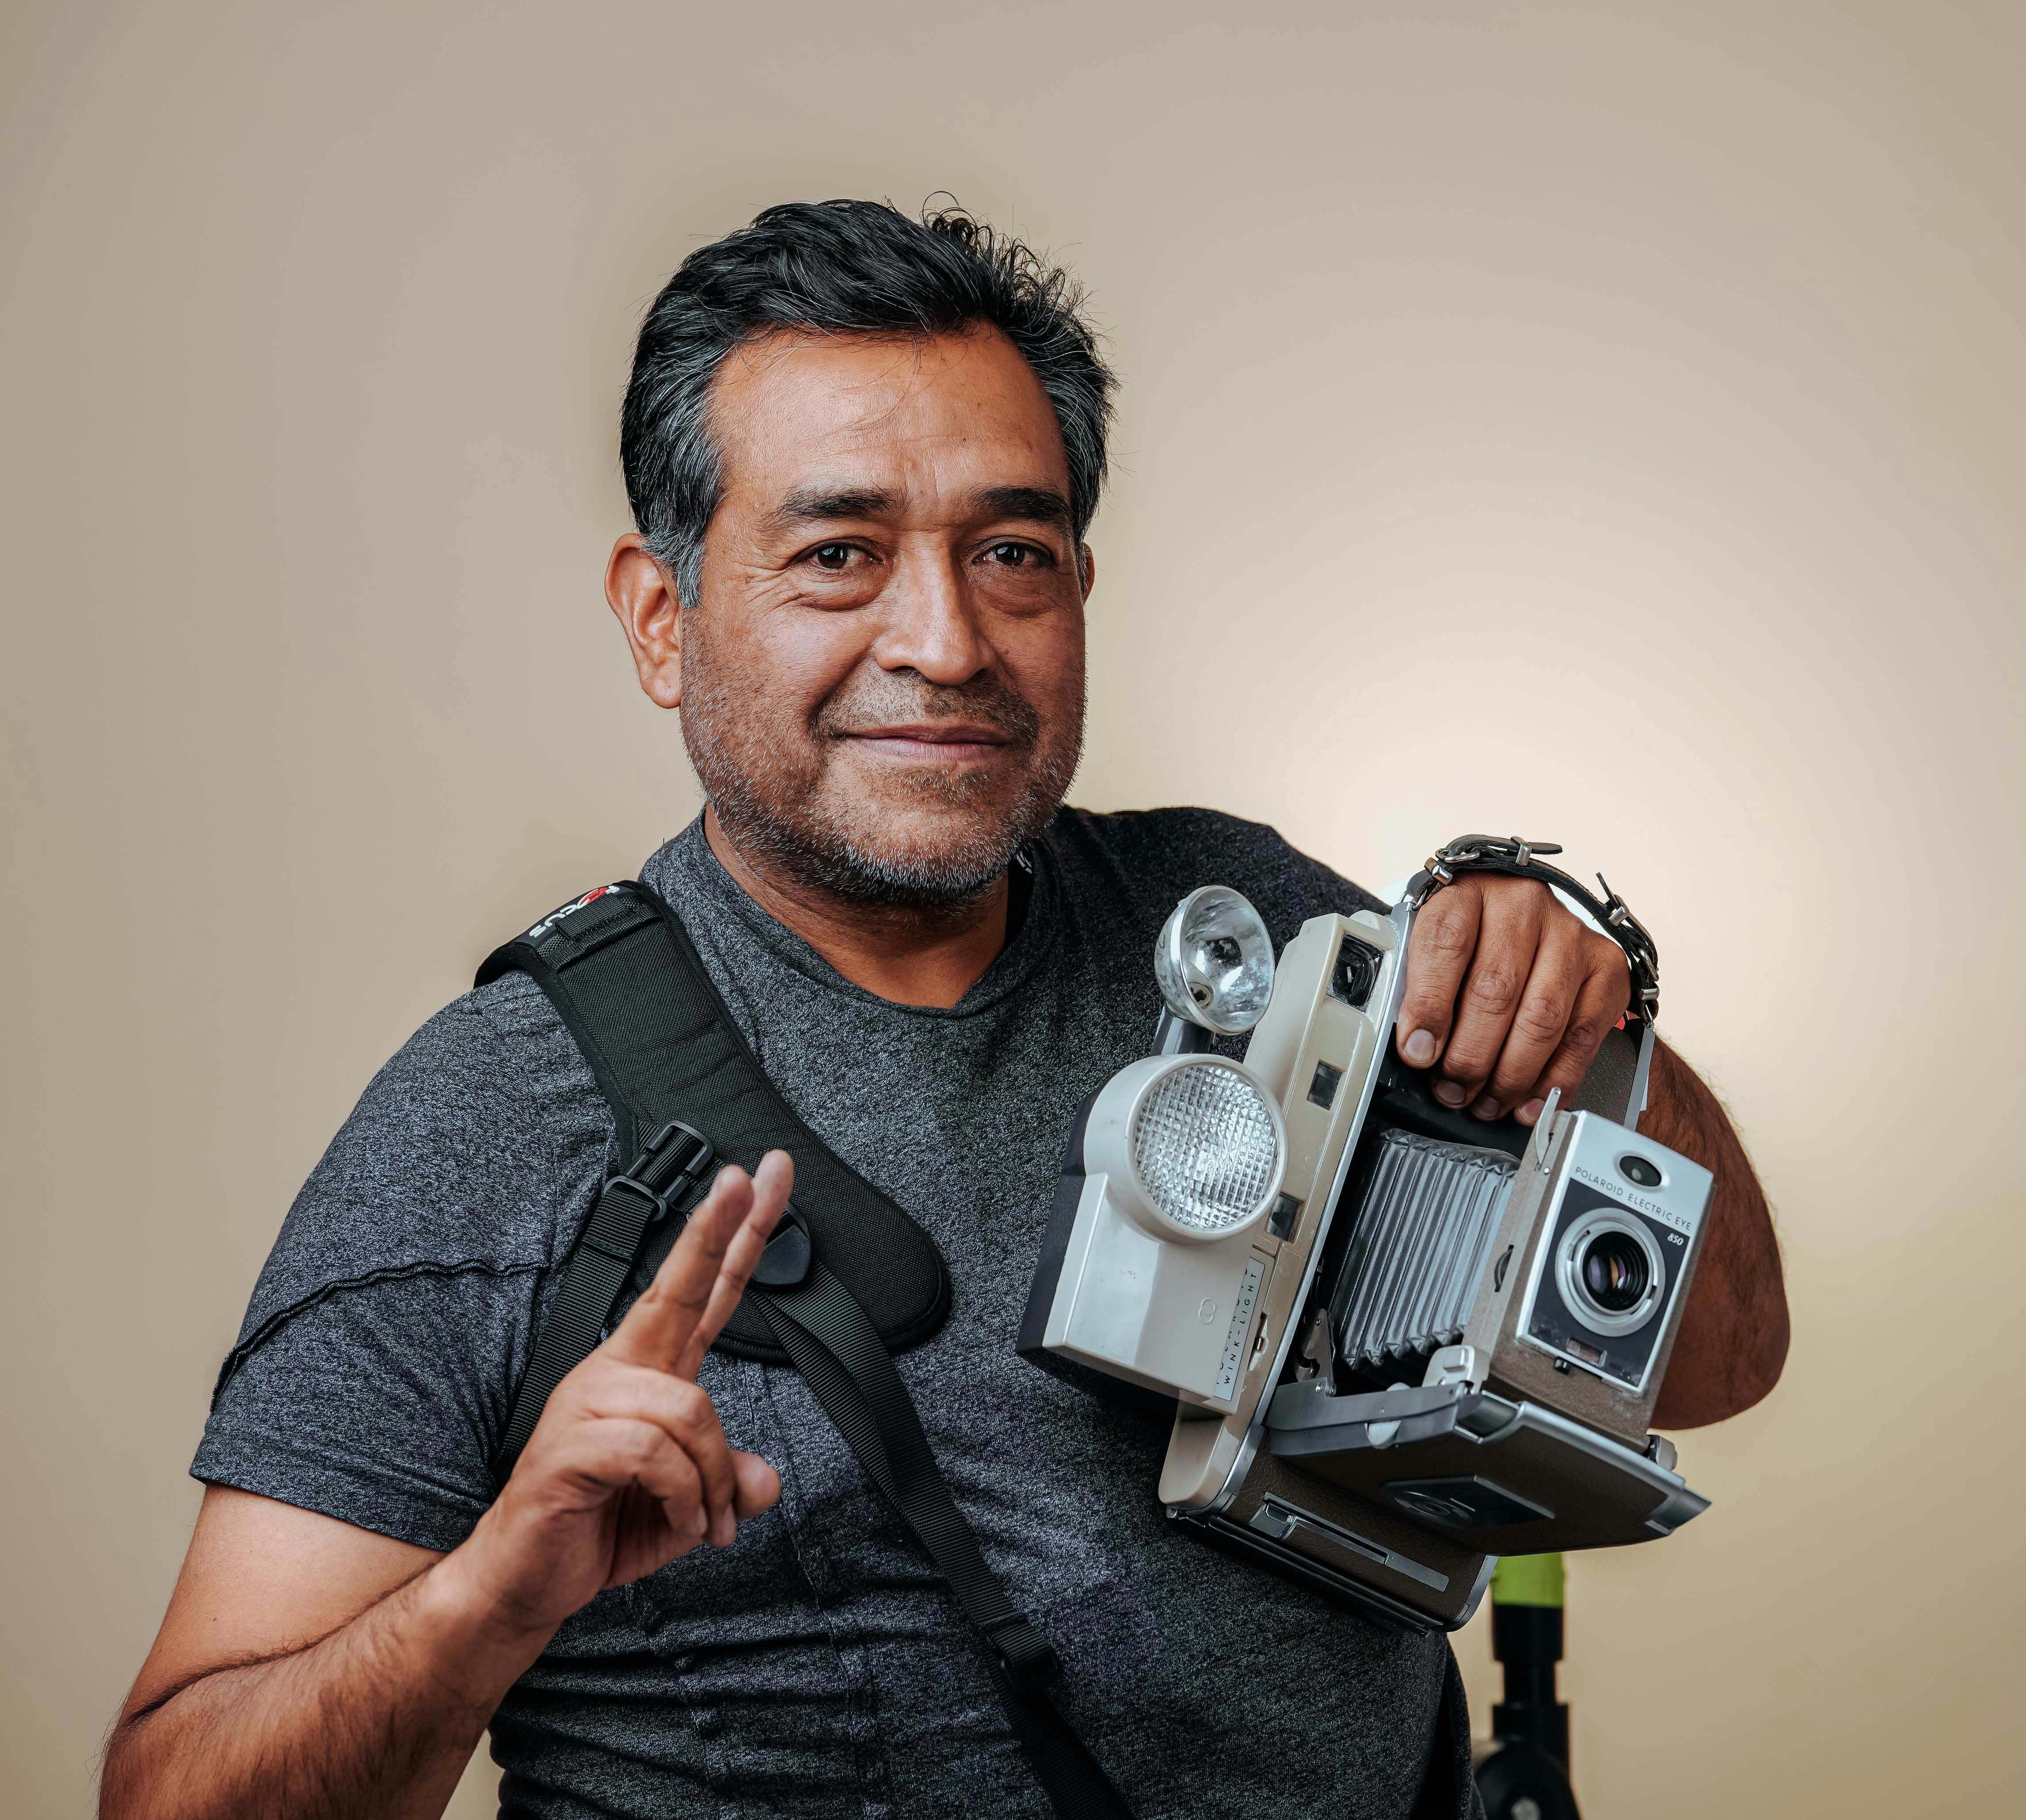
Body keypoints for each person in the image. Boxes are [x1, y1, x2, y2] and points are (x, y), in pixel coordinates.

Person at [99, 200, 1791, 1820]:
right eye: (838, 554)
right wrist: (484, 1604)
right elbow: (173, 1795)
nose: (949, 640)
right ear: (659, 615)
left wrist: (1583, 1027)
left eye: (1011, 552)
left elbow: (1719, 1360)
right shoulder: (499, 1119)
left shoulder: (1264, 932)